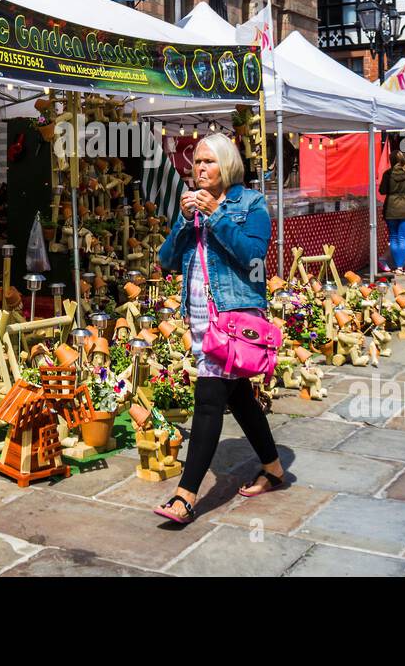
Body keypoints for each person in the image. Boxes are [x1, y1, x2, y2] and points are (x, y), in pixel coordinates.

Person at [153, 133, 283, 524]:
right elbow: (165, 262)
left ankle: (185, 495)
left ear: (227, 165)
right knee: (238, 395)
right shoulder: (191, 207)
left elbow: (253, 257)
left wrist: (216, 214)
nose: (201, 168)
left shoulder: (250, 203)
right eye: (197, 163)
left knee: (209, 396)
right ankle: (274, 468)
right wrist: (182, 221)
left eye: (209, 161)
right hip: (200, 317)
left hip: (234, 318)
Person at [379, 151, 405, 274]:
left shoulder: (388, 173)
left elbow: (382, 191)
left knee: (393, 237)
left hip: (391, 207)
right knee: (403, 238)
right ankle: (400, 266)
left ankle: (398, 266)